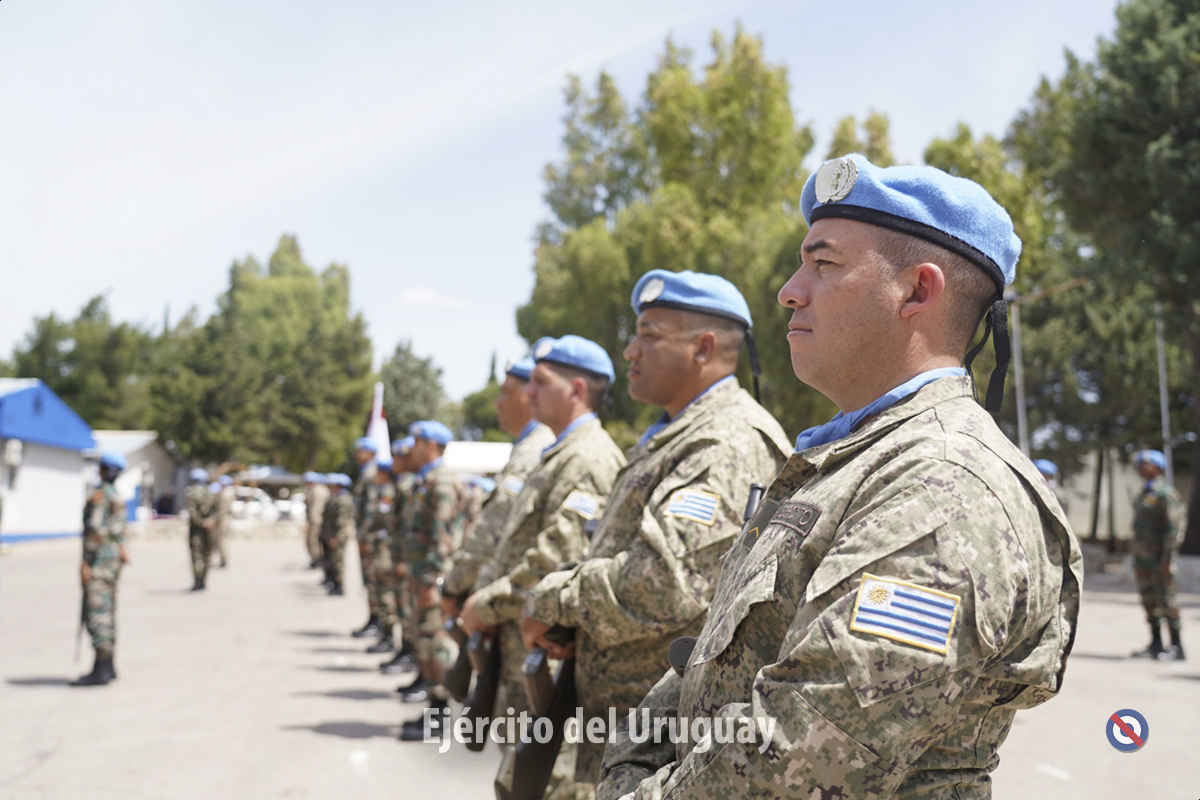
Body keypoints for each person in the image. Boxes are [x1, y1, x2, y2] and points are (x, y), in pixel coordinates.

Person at [597, 154, 1083, 800]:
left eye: (823, 264)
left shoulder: (945, 485)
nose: (789, 290)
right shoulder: (847, 460)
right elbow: (709, 665)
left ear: (917, 290)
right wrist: (628, 767)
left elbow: (793, 761)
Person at [516, 276, 791, 795]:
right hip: (620, 728)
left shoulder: (725, 439)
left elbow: (661, 583)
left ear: (703, 348)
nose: (630, 349)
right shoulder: (675, 432)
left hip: (657, 747)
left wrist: (552, 600)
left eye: (649, 335)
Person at [459, 338, 626, 762]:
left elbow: (555, 559)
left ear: (576, 390)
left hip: (545, 650)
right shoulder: (558, 453)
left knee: (547, 780)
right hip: (524, 645)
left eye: (540, 381)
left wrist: (487, 604)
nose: (528, 392)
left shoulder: (586, 457)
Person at [441, 356, 555, 608]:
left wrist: (452, 585)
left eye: (506, 393)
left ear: (530, 395)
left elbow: (492, 527)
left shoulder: (533, 450)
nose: (498, 403)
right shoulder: (530, 446)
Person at [397, 420, 475, 741]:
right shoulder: (427, 480)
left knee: (435, 645)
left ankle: (439, 719)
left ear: (430, 445)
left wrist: (432, 580)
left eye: (416, 442)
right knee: (425, 643)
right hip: (422, 577)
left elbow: (442, 538)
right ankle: (433, 709)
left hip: (432, 577)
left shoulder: (441, 482)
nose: (410, 449)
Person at [72, 452, 130, 687]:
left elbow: (95, 530)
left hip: (99, 563)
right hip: (112, 563)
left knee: (97, 614)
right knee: (108, 610)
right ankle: (108, 666)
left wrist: (86, 563)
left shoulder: (101, 496)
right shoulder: (117, 495)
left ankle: (102, 670)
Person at [1130, 449, 1186, 661]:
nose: (1140, 468)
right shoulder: (1145, 492)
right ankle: (1155, 643)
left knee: (1167, 601)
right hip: (1143, 558)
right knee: (1149, 601)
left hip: (1160, 559)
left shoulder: (1165, 493)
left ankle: (1177, 646)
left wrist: (1167, 559)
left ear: (1157, 467)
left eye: (1144, 464)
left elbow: (1173, 529)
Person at [381, 437, 421, 676]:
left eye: (398, 457)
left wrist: (404, 560)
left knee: (409, 610)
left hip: (409, 560)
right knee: (404, 607)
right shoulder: (404, 484)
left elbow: (409, 528)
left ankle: (411, 655)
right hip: (402, 557)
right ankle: (406, 649)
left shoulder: (409, 485)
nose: (394, 462)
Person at [363, 454, 399, 654]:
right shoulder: (384, 490)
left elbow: (384, 518)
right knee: (379, 589)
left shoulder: (388, 492)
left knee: (386, 591)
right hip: (381, 547)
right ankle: (385, 632)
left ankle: (390, 636)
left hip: (385, 548)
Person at [351, 437, 383, 638]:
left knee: (374, 580)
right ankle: (373, 618)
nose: (357, 455)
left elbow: (371, 509)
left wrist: (365, 536)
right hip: (367, 535)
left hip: (370, 537)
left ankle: (377, 621)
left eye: (361, 450)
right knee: (369, 580)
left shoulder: (371, 475)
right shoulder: (366, 474)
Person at [321, 474, 356, 596]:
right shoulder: (336, 497)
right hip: (334, 534)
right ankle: (335, 582)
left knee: (338, 560)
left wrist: (335, 537)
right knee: (333, 559)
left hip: (339, 535)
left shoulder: (343, 499)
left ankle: (339, 585)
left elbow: (341, 521)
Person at [185, 468, 216, 592]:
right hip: (210, 528)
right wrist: (210, 521)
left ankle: (198, 581)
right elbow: (217, 511)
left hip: (196, 529)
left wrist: (202, 523)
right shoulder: (211, 492)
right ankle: (204, 580)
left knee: (196, 555)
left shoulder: (191, 493)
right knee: (207, 554)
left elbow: (192, 513)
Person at [302, 472, 330, 569]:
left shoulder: (317, 491)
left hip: (316, 520)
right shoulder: (319, 490)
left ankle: (317, 560)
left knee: (313, 540)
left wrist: (311, 522)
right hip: (317, 520)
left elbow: (316, 509)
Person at [209, 474, 233, 569]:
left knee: (220, 539)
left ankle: (222, 558)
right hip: (224, 518)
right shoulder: (227, 492)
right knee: (219, 539)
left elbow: (220, 508)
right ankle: (221, 558)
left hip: (222, 518)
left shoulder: (226, 493)